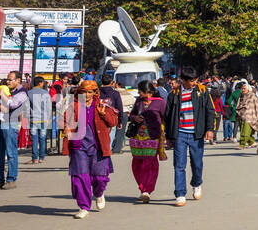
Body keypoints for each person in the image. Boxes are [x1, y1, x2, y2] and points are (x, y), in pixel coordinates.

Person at [64, 79, 119, 218]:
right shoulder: (74, 105)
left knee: (99, 178)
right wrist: (67, 129)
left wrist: (103, 114)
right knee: (80, 177)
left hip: (98, 146)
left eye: (90, 92)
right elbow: (65, 122)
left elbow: (113, 121)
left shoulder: (102, 104)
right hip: (79, 146)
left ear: (95, 92)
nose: (87, 95)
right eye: (84, 92)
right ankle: (83, 207)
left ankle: (99, 193)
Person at [164, 66, 216, 207]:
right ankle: (180, 194)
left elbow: (210, 111)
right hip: (180, 133)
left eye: (195, 80)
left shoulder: (202, 91)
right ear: (183, 80)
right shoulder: (173, 94)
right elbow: (168, 117)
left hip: (196, 134)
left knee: (197, 163)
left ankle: (196, 183)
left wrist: (210, 129)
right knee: (179, 165)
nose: (194, 83)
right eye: (192, 81)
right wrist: (168, 137)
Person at [126, 80, 167, 202]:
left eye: (141, 91)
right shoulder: (139, 101)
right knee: (137, 163)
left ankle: (147, 190)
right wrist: (135, 118)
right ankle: (142, 187)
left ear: (148, 92)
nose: (139, 93)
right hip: (137, 137)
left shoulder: (160, 103)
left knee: (150, 163)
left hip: (153, 136)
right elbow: (132, 114)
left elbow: (166, 118)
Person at [0, 71, 27, 190]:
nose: (8, 82)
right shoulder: (5, 89)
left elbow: (12, 105)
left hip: (10, 123)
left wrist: (2, 95)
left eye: (10, 80)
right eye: (8, 79)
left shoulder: (22, 92)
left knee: (11, 153)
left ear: (18, 80)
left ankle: (11, 179)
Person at [26, 77, 52, 163]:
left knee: (34, 139)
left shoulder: (29, 93)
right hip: (43, 119)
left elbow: (26, 107)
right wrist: (49, 118)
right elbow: (49, 107)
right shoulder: (45, 93)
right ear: (40, 83)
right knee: (42, 138)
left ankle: (34, 158)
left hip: (33, 119)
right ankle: (41, 157)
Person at [233, 79, 258, 148]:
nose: (243, 90)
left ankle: (242, 144)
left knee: (246, 131)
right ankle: (252, 142)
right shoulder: (241, 95)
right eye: (242, 88)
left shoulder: (252, 95)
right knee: (243, 130)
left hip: (250, 116)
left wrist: (257, 115)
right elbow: (238, 104)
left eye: (244, 88)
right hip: (242, 115)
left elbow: (256, 106)